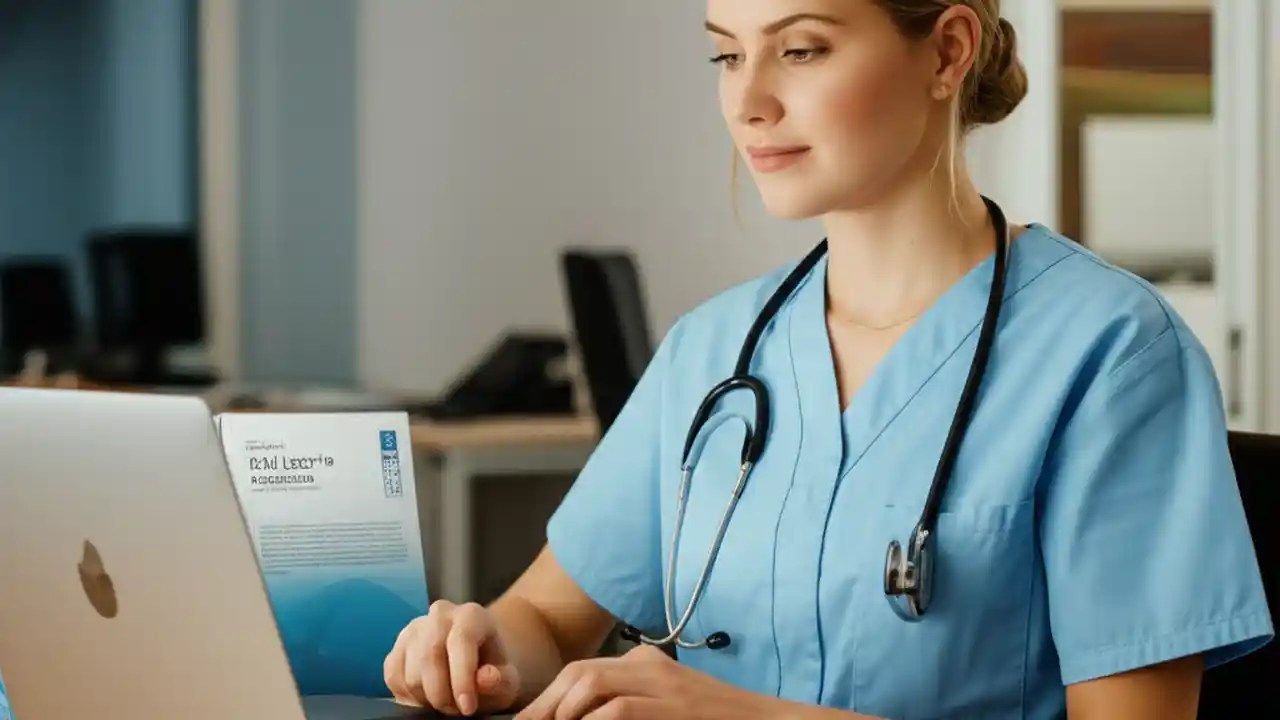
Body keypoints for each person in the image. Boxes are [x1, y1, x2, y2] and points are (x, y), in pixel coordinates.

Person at [384, 1, 1273, 718]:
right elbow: (547, 615)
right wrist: (482, 648)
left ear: (947, 50)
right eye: (727, 56)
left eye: (800, 50)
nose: (749, 101)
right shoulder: (714, 349)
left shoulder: (1111, 354)